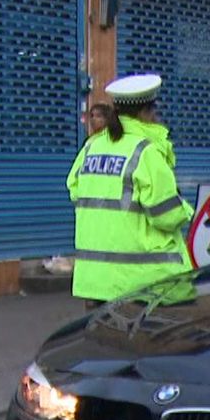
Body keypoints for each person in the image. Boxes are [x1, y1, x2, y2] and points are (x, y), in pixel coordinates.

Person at [67, 74, 195, 308]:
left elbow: (76, 191)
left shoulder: (91, 147)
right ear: (146, 112)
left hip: (94, 281)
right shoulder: (146, 152)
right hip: (144, 283)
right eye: (154, 111)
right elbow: (166, 216)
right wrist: (186, 210)